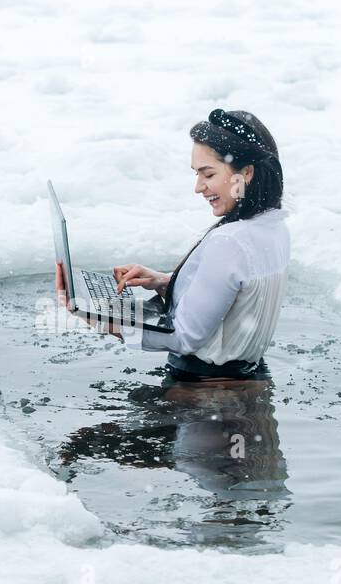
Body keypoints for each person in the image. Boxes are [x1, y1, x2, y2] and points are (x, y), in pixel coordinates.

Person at [55, 108, 290, 383]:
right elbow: (238, 298)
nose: (199, 187)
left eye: (208, 174)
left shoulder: (229, 242)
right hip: (246, 384)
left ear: (246, 173)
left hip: (203, 395)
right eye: (196, 174)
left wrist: (103, 322)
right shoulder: (274, 227)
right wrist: (165, 282)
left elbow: (184, 337)